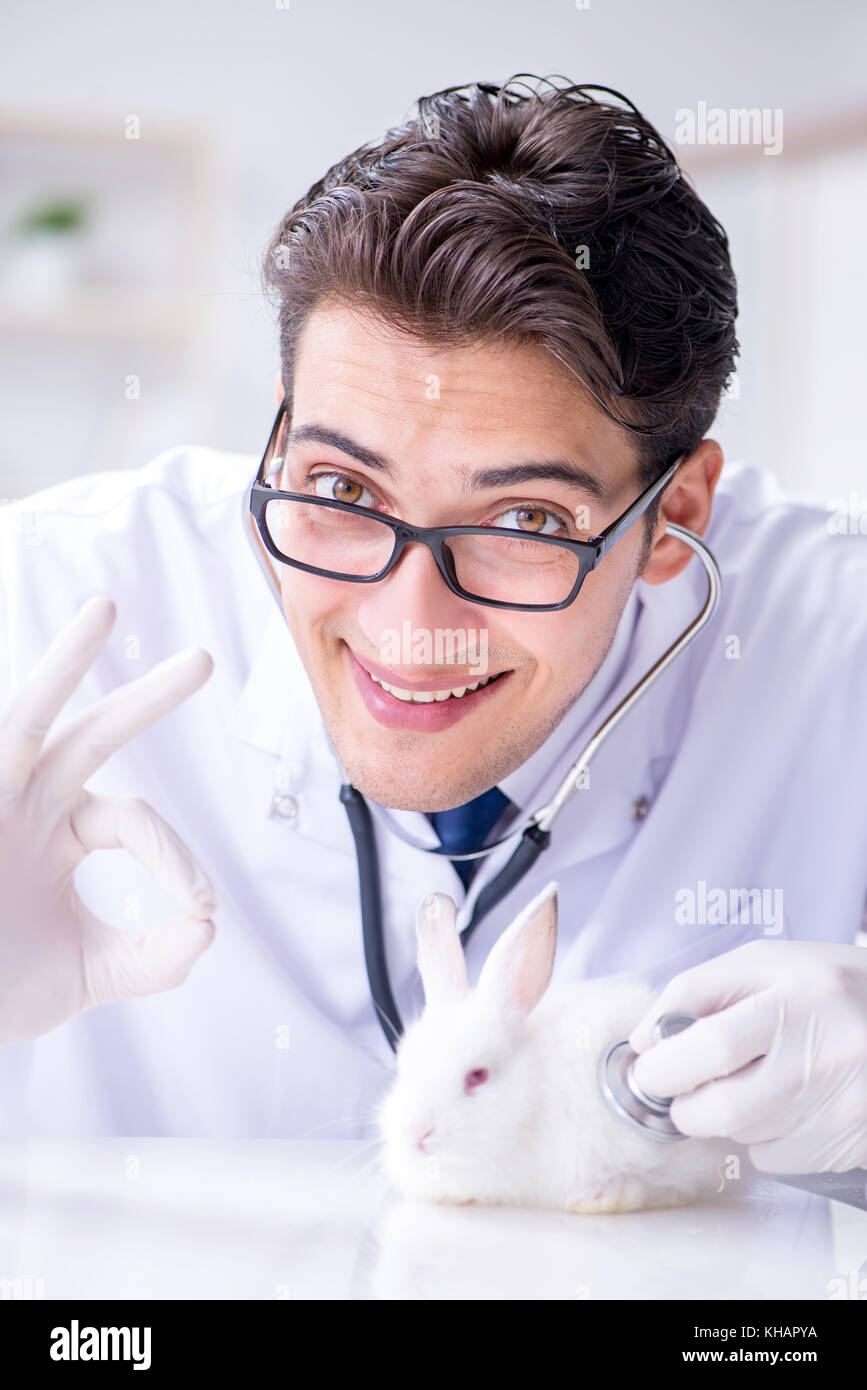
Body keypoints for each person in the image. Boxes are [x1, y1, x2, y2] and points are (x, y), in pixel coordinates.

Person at [0, 77, 865, 1173]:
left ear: (674, 511)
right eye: (346, 490)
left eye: (524, 519)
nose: (413, 621)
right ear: (279, 429)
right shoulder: (38, 597)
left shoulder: (840, 635)